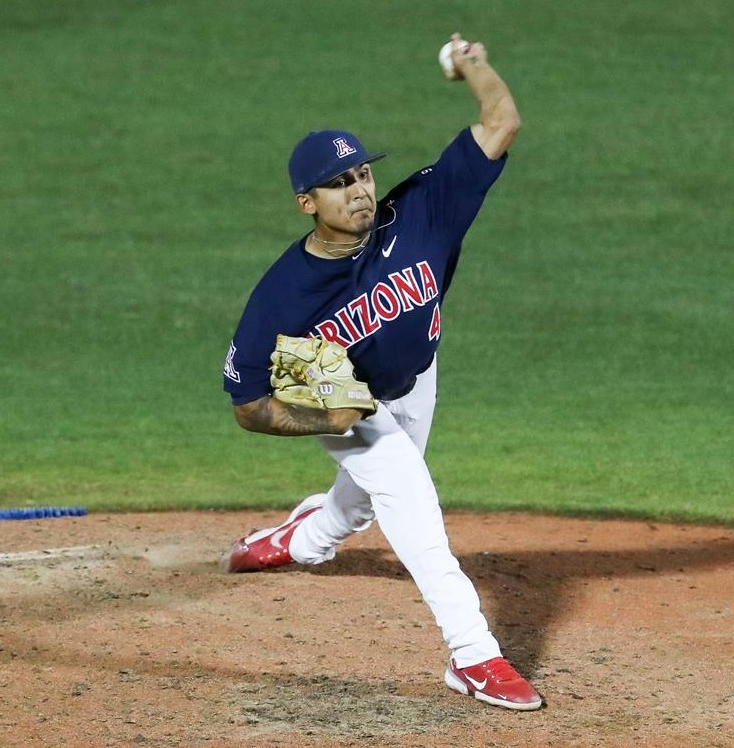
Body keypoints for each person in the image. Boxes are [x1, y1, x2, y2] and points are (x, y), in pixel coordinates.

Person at [219, 34, 541, 711]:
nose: (358, 191)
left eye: (361, 174)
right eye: (338, 185)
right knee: (409, 501)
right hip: (329, 382)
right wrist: (327, 418)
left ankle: (302, 541)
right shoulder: (283, 298)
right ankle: (473, 655)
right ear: (307, 202)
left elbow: (501, 122)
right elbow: (248, 403)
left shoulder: (420, 211)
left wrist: (468, 63)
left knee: (366, 497)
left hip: (413, 370)